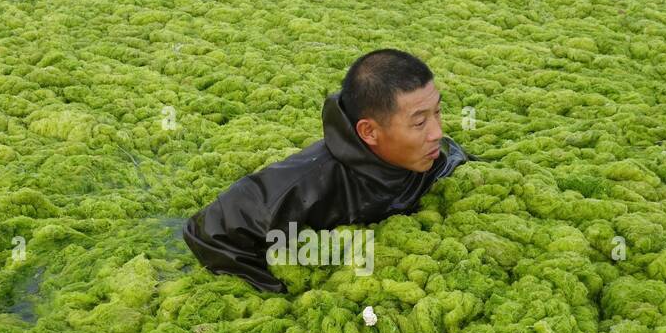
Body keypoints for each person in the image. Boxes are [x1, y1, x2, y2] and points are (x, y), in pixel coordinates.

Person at [183, 48, 476, 293]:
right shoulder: (301, 184)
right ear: (369, 132)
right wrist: (285, 293)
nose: (437, 132)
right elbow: (206, 233)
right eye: (419, 122)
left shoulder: (436, 156)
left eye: (437, 111)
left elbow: (455, 160)